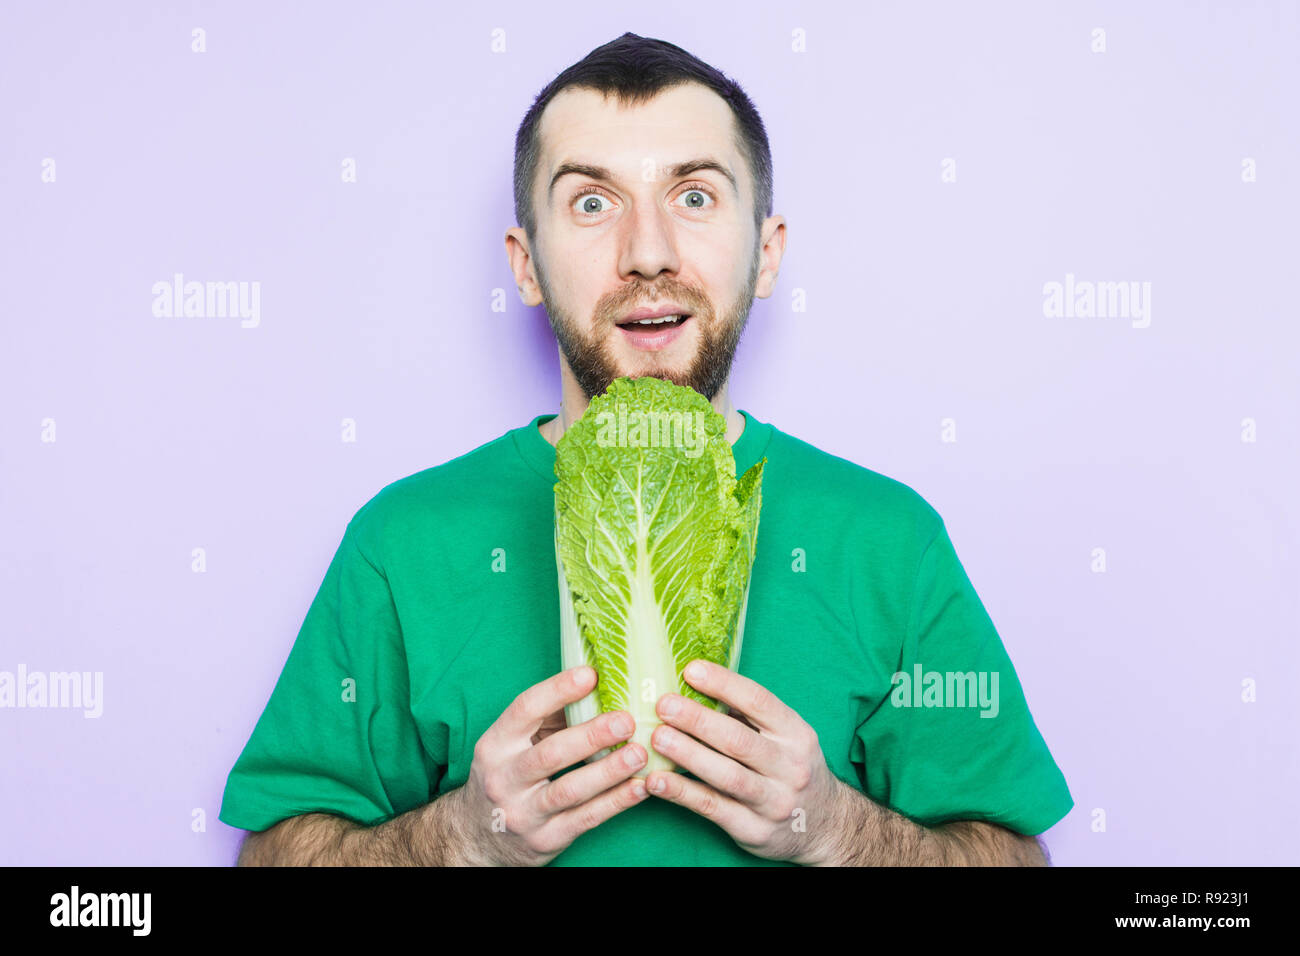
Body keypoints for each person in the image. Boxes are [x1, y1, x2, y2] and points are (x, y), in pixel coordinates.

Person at [219, 32, 1072, 866]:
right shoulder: (403, 541)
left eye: (695, 196)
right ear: (525, 265)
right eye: (592, 202)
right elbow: (271, 854)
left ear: (767, 253)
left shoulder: (889, 539)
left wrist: (839, 830)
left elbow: (1012, 856)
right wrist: (463, 839)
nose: (648, 253)